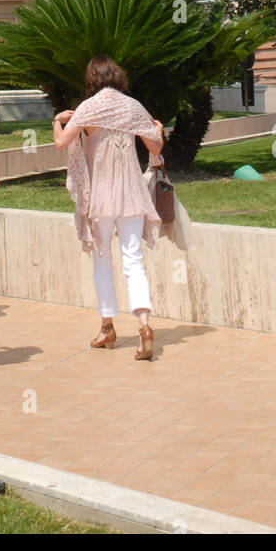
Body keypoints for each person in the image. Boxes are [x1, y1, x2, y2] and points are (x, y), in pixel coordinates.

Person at [53, 56, 165, 361]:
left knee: (102, 260)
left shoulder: (88, 108)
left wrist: (56, 121)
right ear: (117, 76)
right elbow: (154, 147)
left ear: (91, 78)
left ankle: (107, 327)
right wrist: (158, 129)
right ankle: (144, 323)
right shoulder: (132, 106)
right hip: (131, 194)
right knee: (134, 261)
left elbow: (62, 142)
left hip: (100, 198)